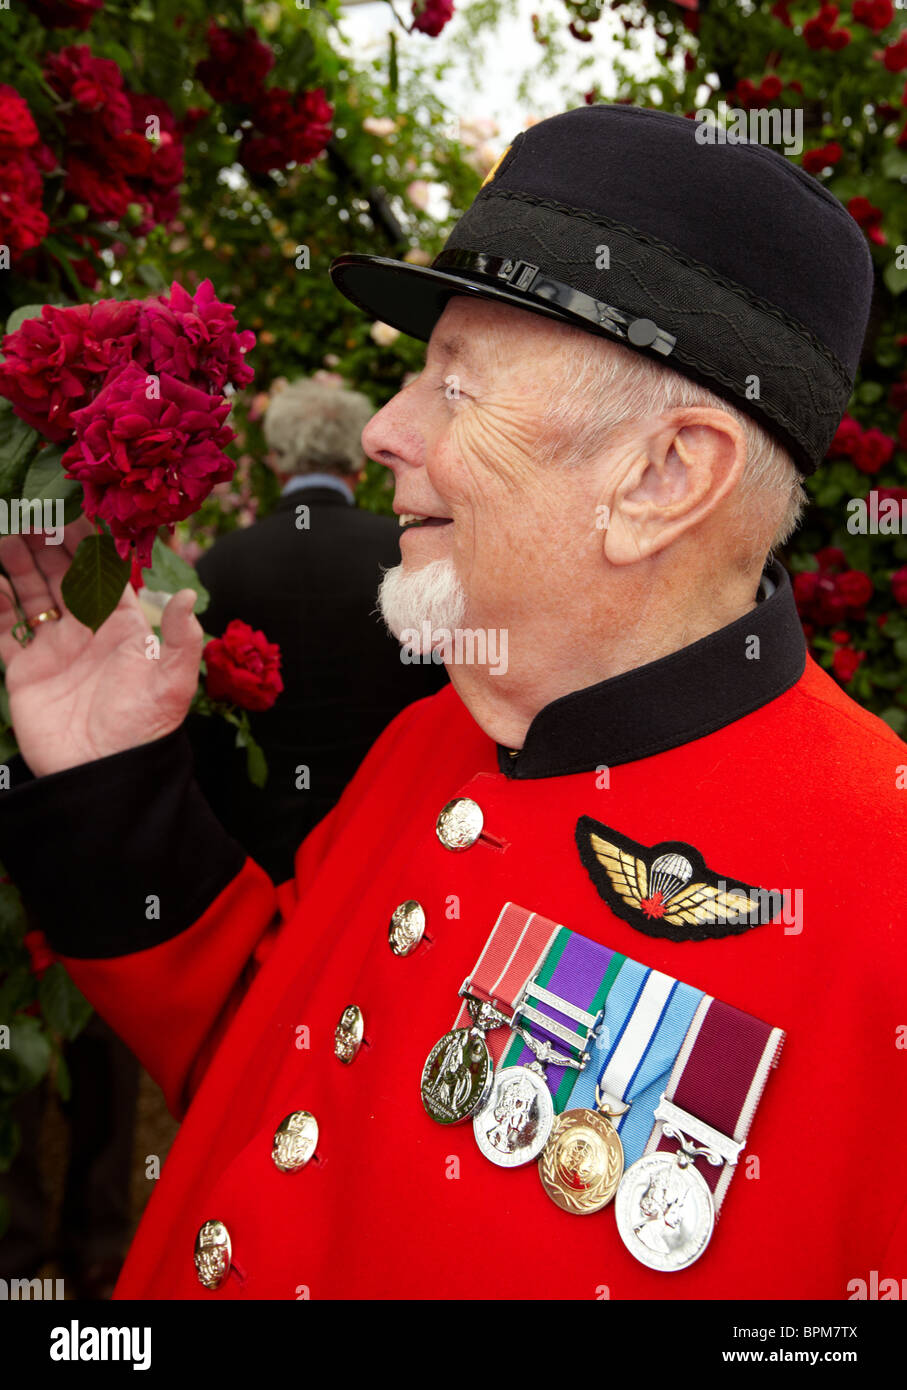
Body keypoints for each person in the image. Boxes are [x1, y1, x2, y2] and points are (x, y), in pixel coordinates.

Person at [0, 103, 904, 1300]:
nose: (384, 431)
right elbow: (286, 1071)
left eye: (458, 390)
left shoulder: (877, 891)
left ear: (661, 476)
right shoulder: (444, 730)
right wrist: (113, 782)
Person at [186, 376, 446, 884]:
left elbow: (202, 730)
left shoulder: (220, 566)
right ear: (358, 458)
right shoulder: (403, 554)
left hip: (253, 845)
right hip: (388, 834)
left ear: (277, 457)